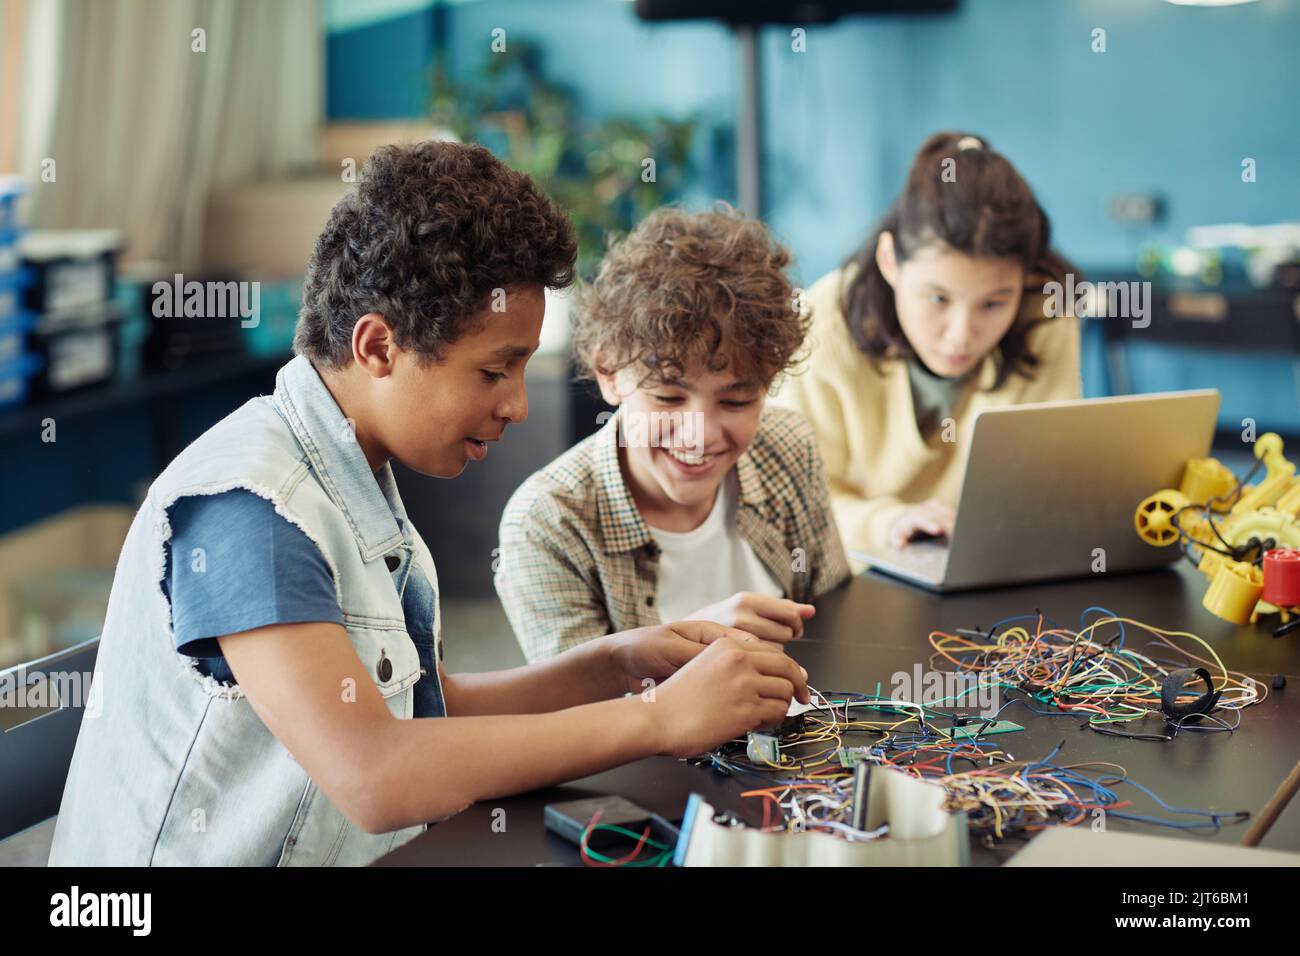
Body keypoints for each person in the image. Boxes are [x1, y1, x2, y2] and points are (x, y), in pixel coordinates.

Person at [48, 142, 807, 867]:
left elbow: (424, 709)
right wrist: (656, 719)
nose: (515, 405)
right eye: (494, 371)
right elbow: (376, 773)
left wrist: (615, 664)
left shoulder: (347, 470)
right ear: (378, 348)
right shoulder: (253, 509)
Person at [495, 205, 850, 664]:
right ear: (609, 372)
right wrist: (694, 646)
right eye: (667, 398)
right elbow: (579, 718)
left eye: (736, 402)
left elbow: (841, 624)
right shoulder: (550, 522)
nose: (698, 436)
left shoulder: (787, 446)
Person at [774, 131, 1082, 556]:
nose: (960, 335)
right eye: (937, 299)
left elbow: (1055, 479)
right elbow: (790, 501)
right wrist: (888, 523)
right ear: (890, 261)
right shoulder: (824, 323)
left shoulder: (1045, 310)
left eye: (994, 303)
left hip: (993, 563)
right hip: (852, 569)